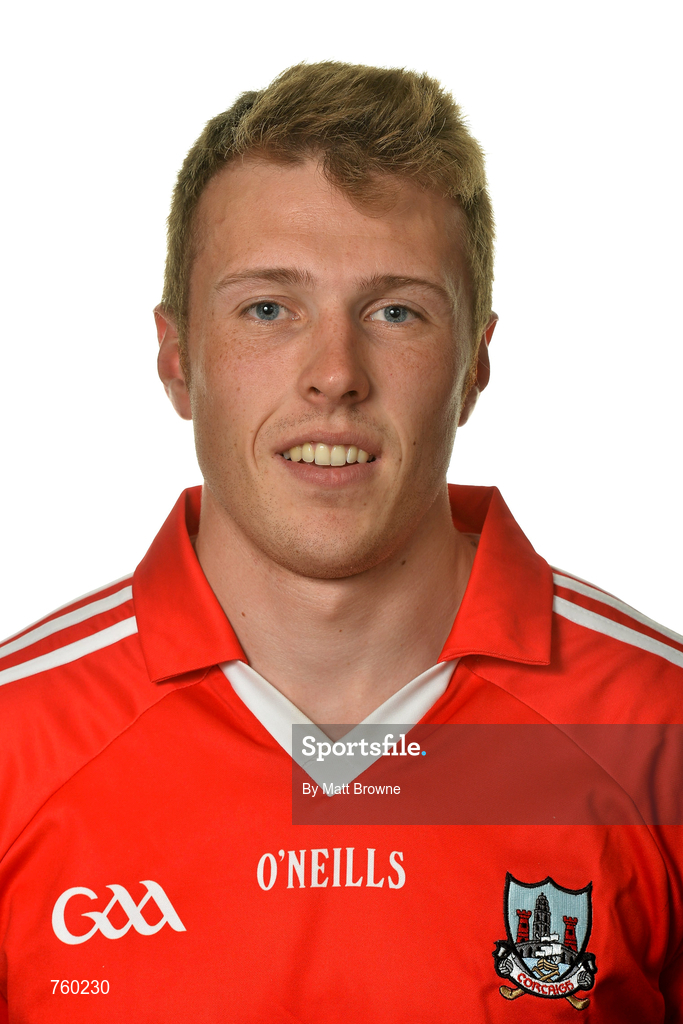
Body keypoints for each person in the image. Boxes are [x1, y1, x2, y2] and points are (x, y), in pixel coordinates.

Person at [0, 61, 681, 1023]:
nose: (334, 375)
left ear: (475, 364)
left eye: (395, 311)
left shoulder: (657, 733)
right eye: (268, 308)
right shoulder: (15, 744)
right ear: (177, 357)